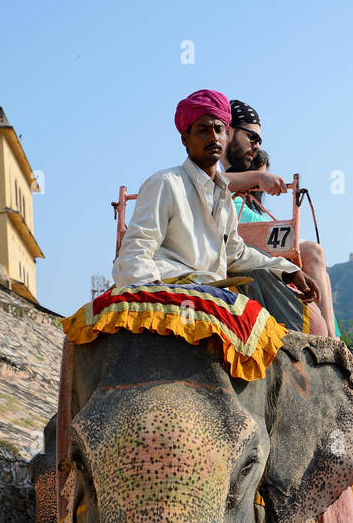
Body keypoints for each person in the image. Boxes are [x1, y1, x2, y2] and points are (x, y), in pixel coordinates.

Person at [111, 89, 320, 309]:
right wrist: (152, 290)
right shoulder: (166, 183)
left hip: (209, 291)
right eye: (203, 130)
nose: (212, 136)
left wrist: (288, 270)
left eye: (218, 129)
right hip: (170, 288)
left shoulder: (223, 197)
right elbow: (137, 247)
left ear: (225, 136)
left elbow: (236, 254)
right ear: (185, 138)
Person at [221, 98, 336, 337]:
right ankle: (334, 346)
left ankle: (336, 345)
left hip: (242, 252)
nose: (256, 146)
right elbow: (208, 182)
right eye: (252, 137)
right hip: (222, 257)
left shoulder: (233, 191)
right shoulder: (213, 184)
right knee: (312, 252)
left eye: (259, 141)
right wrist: (257, 178)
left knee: (314, 262)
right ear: (229, 132)